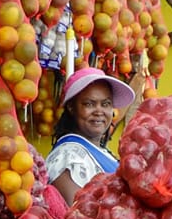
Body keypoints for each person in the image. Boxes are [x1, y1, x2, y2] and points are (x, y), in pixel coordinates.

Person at [46, 67, 135, 203]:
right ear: (71, 107)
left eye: (106, 104)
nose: (99, 111)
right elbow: (77, 216)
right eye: (89, 104)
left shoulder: (101, 151)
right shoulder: (68, 156)